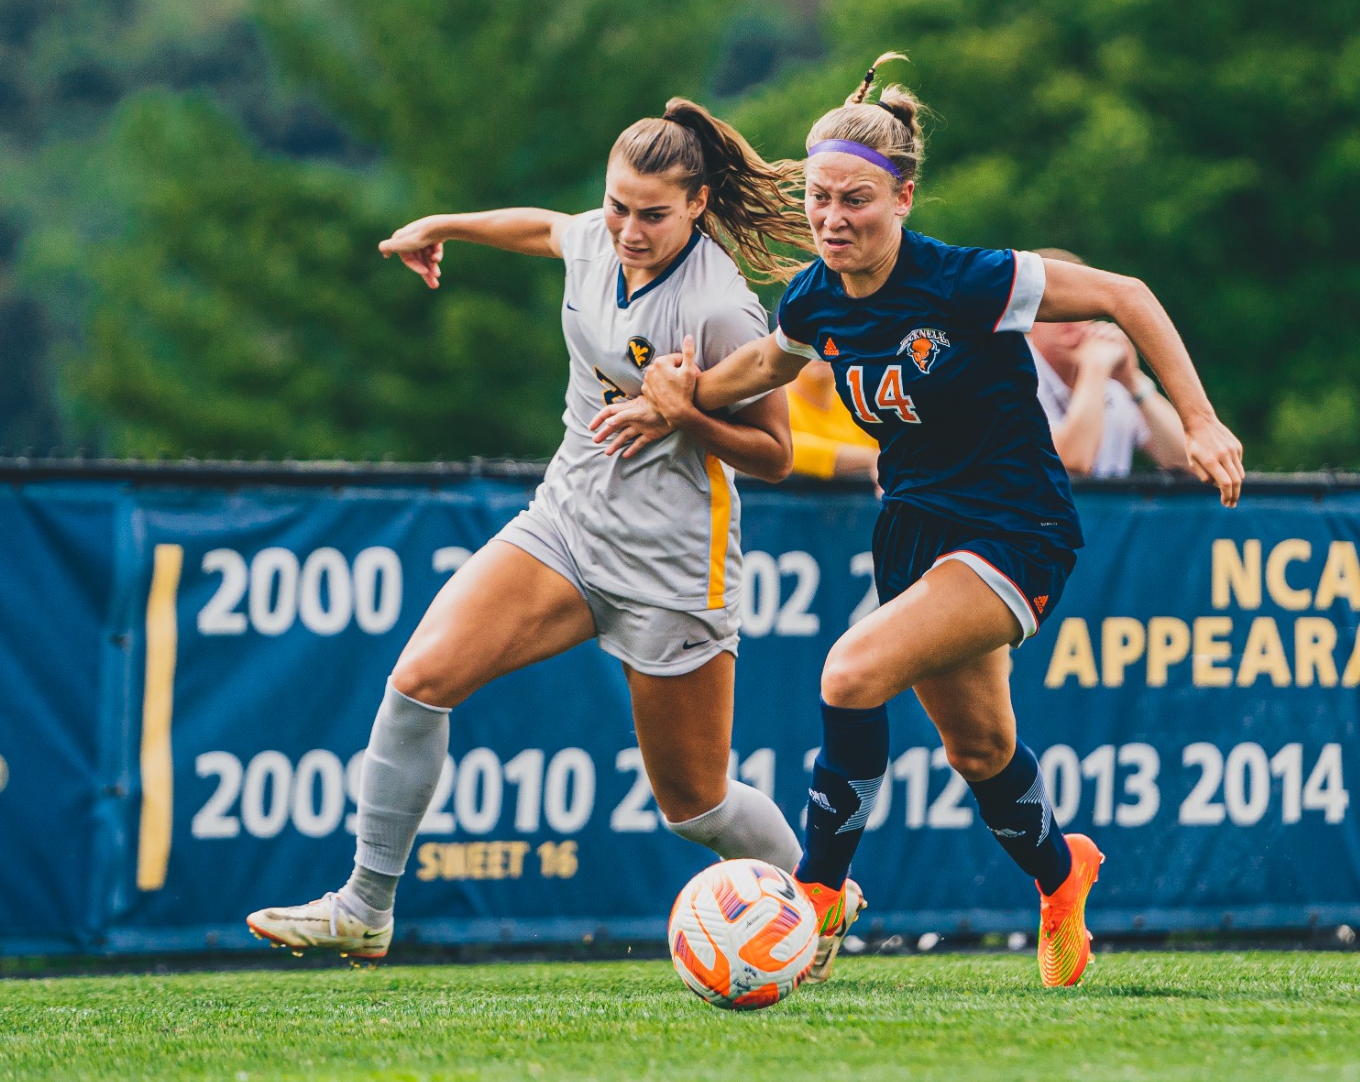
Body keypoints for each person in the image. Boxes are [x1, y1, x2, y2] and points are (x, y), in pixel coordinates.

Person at [595, 54, 1243, 988]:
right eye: (819, 198)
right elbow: (768, 368)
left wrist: (1200, 418)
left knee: (850, 672)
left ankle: (815, 898)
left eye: (855, 198)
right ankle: (1066, 880)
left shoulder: (969, 281)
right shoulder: (816, 294)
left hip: (1015, 527)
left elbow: (1126, 296)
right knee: (979, 749)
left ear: (903, 197)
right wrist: (679, 399)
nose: (832, 218)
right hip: (913, 529)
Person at [247, 99, 811, 960]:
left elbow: (775, 454)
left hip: (673, 566)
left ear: (697, 206)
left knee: (695, 805)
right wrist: (443, 225)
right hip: (567, 523)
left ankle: (810, 900)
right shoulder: (598, 237)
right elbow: (545, 228)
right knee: (421, 677)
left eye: (652, 214)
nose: (626, 229)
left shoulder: (721, 307)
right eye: (618, 204)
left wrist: (682, 414)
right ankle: (364, 908)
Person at [1026, 248, 1189, 478]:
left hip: (1106, 515)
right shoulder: (1008, 373)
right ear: (1026, 314)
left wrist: (1132, 381)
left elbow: (1189, 461)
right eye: (1054, 303)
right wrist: (1094, 370)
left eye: (1079, 298)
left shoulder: (1109, 369)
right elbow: (1073, 463)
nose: (1069, 312)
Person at [787, 360, 880, 481]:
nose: (820, 355)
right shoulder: (774, 401)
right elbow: (784, 448)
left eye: (832, 345)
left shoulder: (858, 402)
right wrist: (869, 458)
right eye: (810, 345)